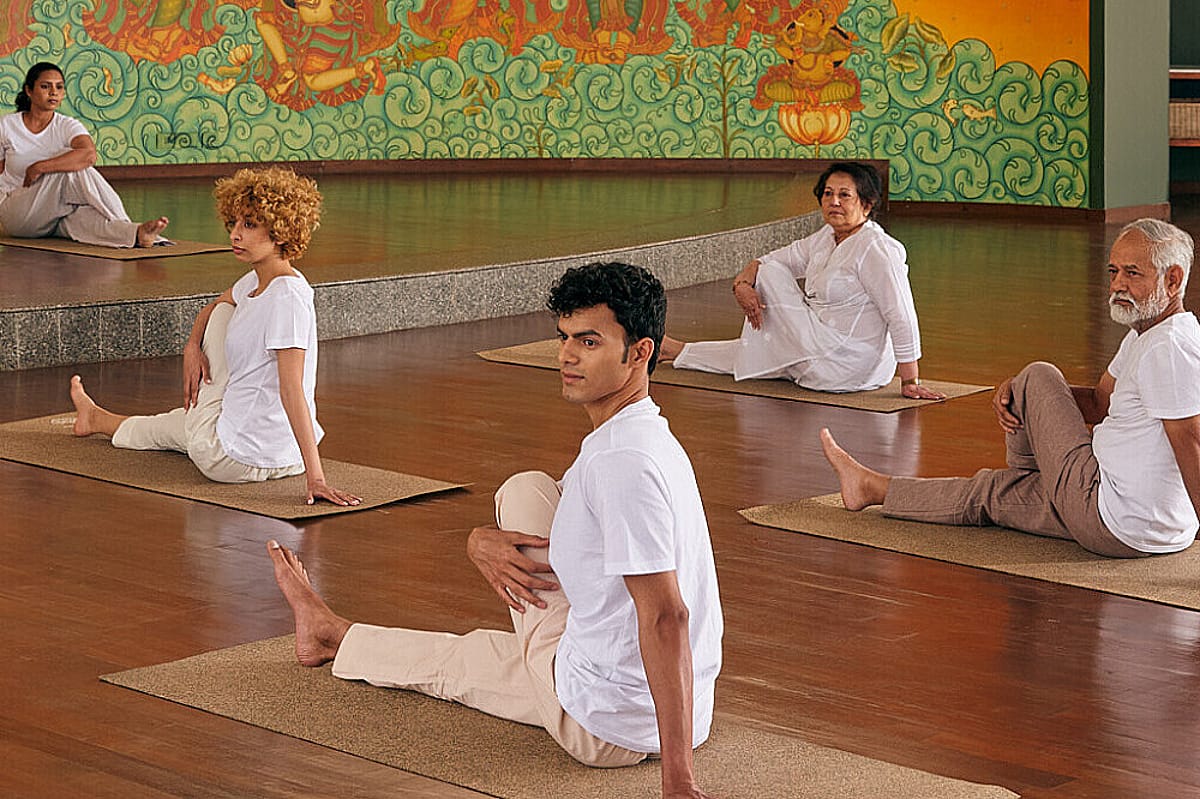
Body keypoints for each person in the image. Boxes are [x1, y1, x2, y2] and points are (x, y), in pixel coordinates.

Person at [268, 262, 723, 799]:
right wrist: (478, 540)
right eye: (564, 337)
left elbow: (667, 614)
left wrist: (678, 781)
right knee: (527, 498)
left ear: (641, 352)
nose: (567, 356)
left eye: (590, 341)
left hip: (607, 726)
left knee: (470, 653)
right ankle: (333, 636)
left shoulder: (622, 461)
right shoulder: (645, 434)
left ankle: (333, 635)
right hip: (679, 713)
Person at [821, 218, 1200, 558]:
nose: (1117, 285)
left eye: (1133, 274)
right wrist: (1023, 398)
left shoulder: (1169, 347)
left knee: (1039, 373)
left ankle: (1031, 474)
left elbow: (1193, 444)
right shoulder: (1149, 335)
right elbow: (1101, 404)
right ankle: (871, 487)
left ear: (1172, 280)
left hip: (1110, 512)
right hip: (1142, 523)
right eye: (1114, 271)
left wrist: (1029, 388)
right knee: (991, 491)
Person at [70, 167, 359, 507]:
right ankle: (96, 419)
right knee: (179, 425)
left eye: (249, 225)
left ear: (281, 230)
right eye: (234, 224)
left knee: (195, 424)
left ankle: (103, 420)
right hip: (283, 456)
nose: (235, 235)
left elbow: (291, 388)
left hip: (234, 458)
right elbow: (216, 303)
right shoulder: (257, 281)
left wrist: (317, 478)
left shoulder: (286, 297)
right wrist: (192, 347)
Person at [661, 161, 944, 399]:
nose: (834, 201)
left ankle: (675, 350)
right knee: (760, 352)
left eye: (844, 195)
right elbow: (773, 258)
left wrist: (909, 381)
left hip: (847, 363)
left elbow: (901, 314)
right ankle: (675, 350)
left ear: (867, 205)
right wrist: (742, 285)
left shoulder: (877, 249)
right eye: (828, 194)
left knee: (770, 279)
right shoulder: (826, 237)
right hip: (818, 350)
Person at [0, 62, 169, 248]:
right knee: (70, 162)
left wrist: (40, 167)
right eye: (45, 86)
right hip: (17, 211)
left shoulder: (67, 125)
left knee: (84, 218)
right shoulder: (7, 125)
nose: (53, 92)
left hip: (53, 214)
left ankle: (136, 233)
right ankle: (124, 221)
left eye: (59, 87)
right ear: (29, 91)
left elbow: (89, 155)